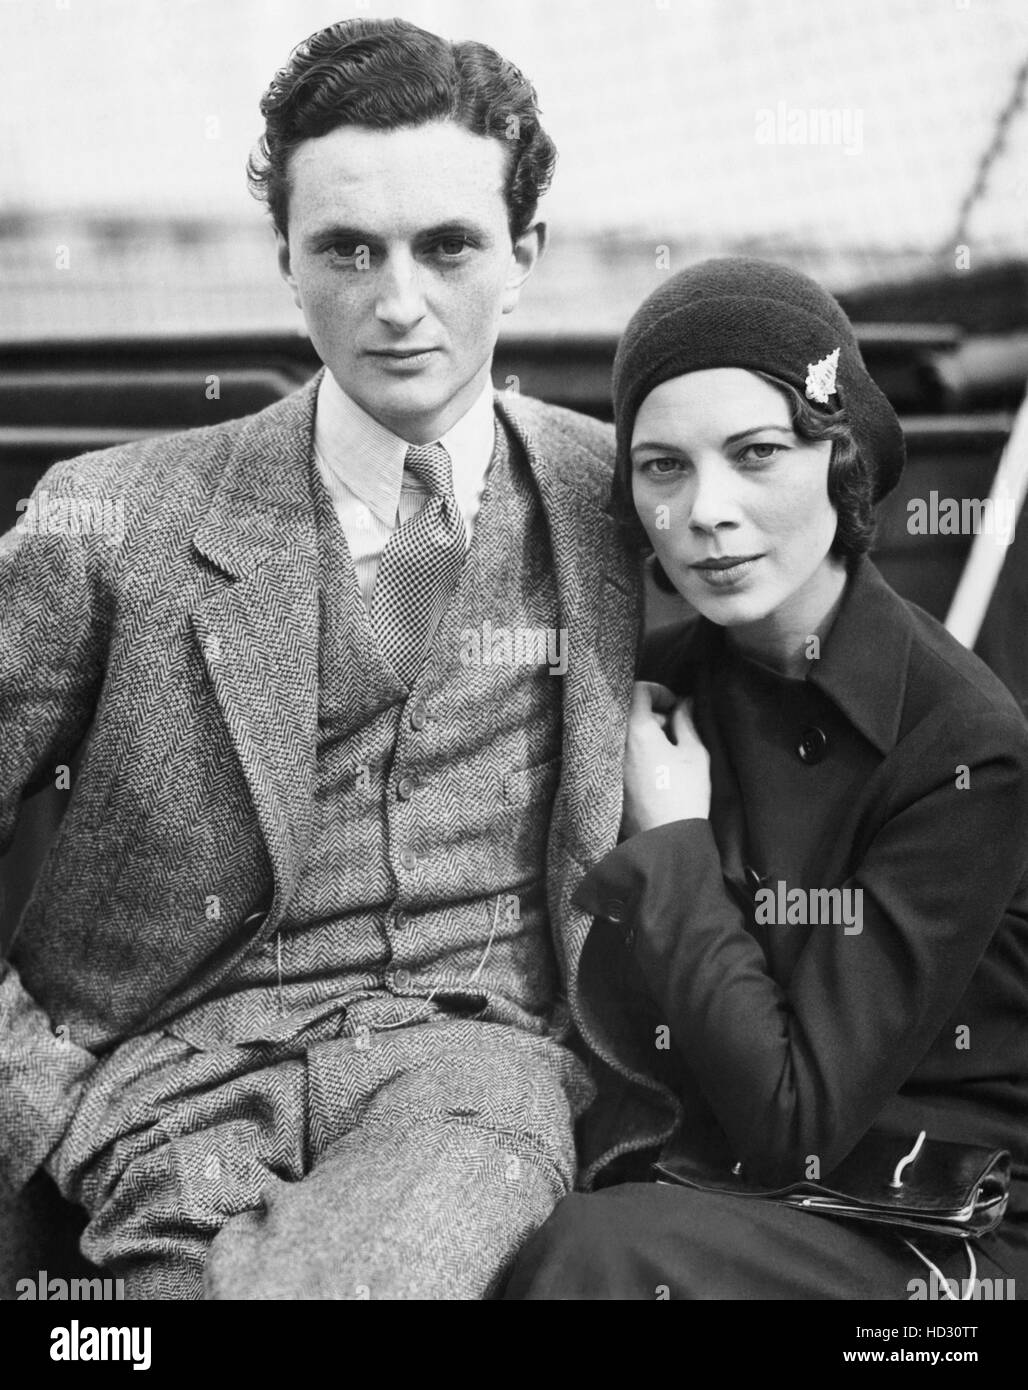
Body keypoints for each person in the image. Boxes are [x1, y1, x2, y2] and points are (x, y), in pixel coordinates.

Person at [0, 18, 644, 1300]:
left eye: (447, 246)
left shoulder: (615, 489)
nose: (398, 303)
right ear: (285, 262)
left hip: (469, 1072)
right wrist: (30, 1076)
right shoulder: (112, 516)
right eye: (349, 249)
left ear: (522, 256)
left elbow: (828, 575)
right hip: (161, 1080)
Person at [504, 257, 1028, 1300]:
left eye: (755, 454)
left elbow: (793, 1121)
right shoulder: (640, 694)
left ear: (839, 459)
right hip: (694, 1176)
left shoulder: (961, 746)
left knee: (598, 1260)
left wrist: (672, 848)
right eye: (661, 468)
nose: (706, 510)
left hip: (925, 1227)